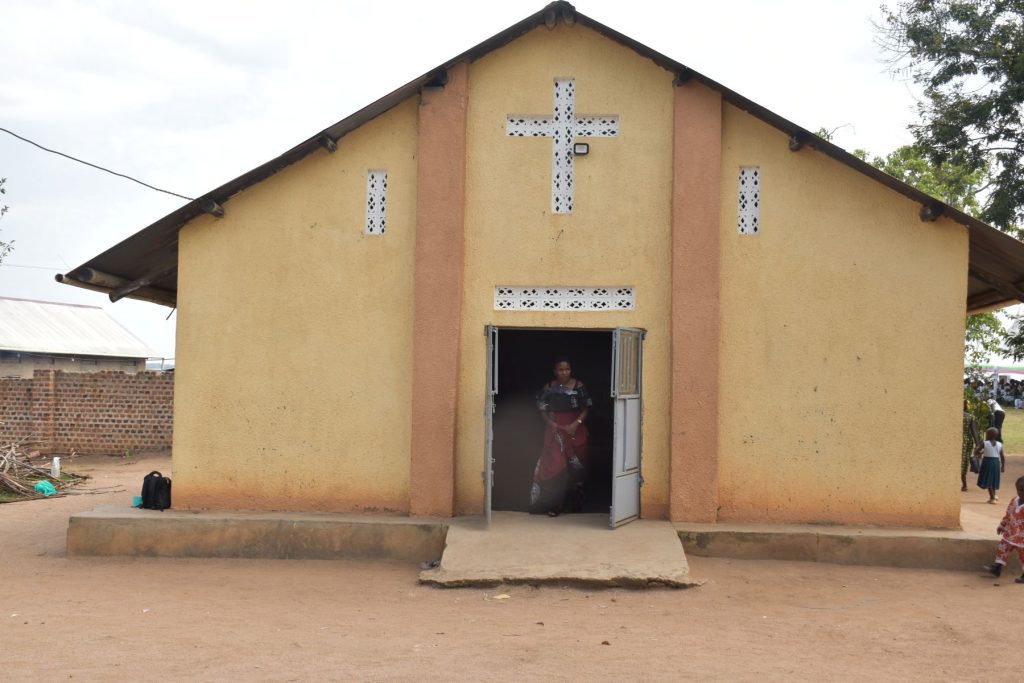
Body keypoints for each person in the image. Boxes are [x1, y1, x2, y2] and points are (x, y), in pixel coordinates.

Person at [531, 357, 591, 517]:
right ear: (555, 371)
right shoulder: (549, 387)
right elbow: (542, 409)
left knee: (576, 466)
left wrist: (576, 424)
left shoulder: (579, 386)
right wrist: (551, 424)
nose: (564, 372)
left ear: (571, 370)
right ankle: (555, 505)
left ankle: (577, 502)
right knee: (556, 465)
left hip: (575, 430)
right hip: (555, 430)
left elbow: (586, 408)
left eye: (567, 369)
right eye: (560, 369)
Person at [983, 475, 1024, 583]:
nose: (1019, 493)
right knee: (1002, 549)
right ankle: (997, 568)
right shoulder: (1015, 500)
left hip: (1022, 538)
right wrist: (1002, 525)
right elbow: (1008, 514)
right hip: (1010, 533)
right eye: (1018, 490)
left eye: (1022, 491)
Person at [977, 427, 1006, 504]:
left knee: (988, 480)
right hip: (996, 463)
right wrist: (1003, 466)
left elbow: (976, 451)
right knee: (993, 479)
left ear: (989, 435)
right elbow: (1002, 456)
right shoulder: (1000, 444)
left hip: (987, 462)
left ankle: (992, 498)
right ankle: (994, 495)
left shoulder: (985, 443)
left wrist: (980, 449)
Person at [961, 401, 982, 492]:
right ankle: (964, 485)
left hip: (955, 441)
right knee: (964, 462)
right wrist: (978, 445)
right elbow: (974, 431)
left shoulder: (952, 416)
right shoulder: (970, 417)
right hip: (966, 442)